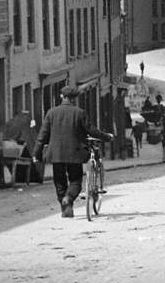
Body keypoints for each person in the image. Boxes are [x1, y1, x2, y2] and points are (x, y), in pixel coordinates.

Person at [32, 86, 110, 218]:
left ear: (61, 96)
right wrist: (106, 137)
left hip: (56, 154)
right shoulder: (79, 113)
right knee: (75, 181)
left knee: (59, 181)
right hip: (75, 153)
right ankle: (68, 198)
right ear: (74, 98)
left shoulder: (51, 113)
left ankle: (65, 205)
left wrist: (36, 154)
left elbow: (42, 135)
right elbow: (92, 130)